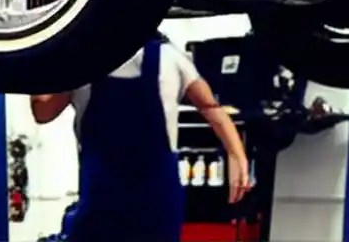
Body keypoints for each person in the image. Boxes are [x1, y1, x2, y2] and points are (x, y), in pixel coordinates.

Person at [30, 31, 253, 241]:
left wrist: (48, 53)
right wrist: (236, 154)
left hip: (136, 212)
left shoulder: (167, 59)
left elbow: (42, 110)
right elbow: (210, 107)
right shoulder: (166, 58)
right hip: (122, 213)